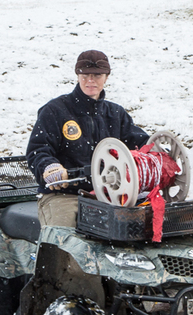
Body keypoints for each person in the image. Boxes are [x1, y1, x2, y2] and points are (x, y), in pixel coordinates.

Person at [26, 50, 149, 231]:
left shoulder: (116, 114)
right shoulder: (55, 111)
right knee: (65, 241)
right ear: (77, 75)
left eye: (97, 75)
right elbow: (38, 150)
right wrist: (49, 167)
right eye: (85, 75)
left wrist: (161, 158)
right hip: (64, 196)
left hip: (109, 196)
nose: (90, 80)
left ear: (106, 77)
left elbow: (143, 147)